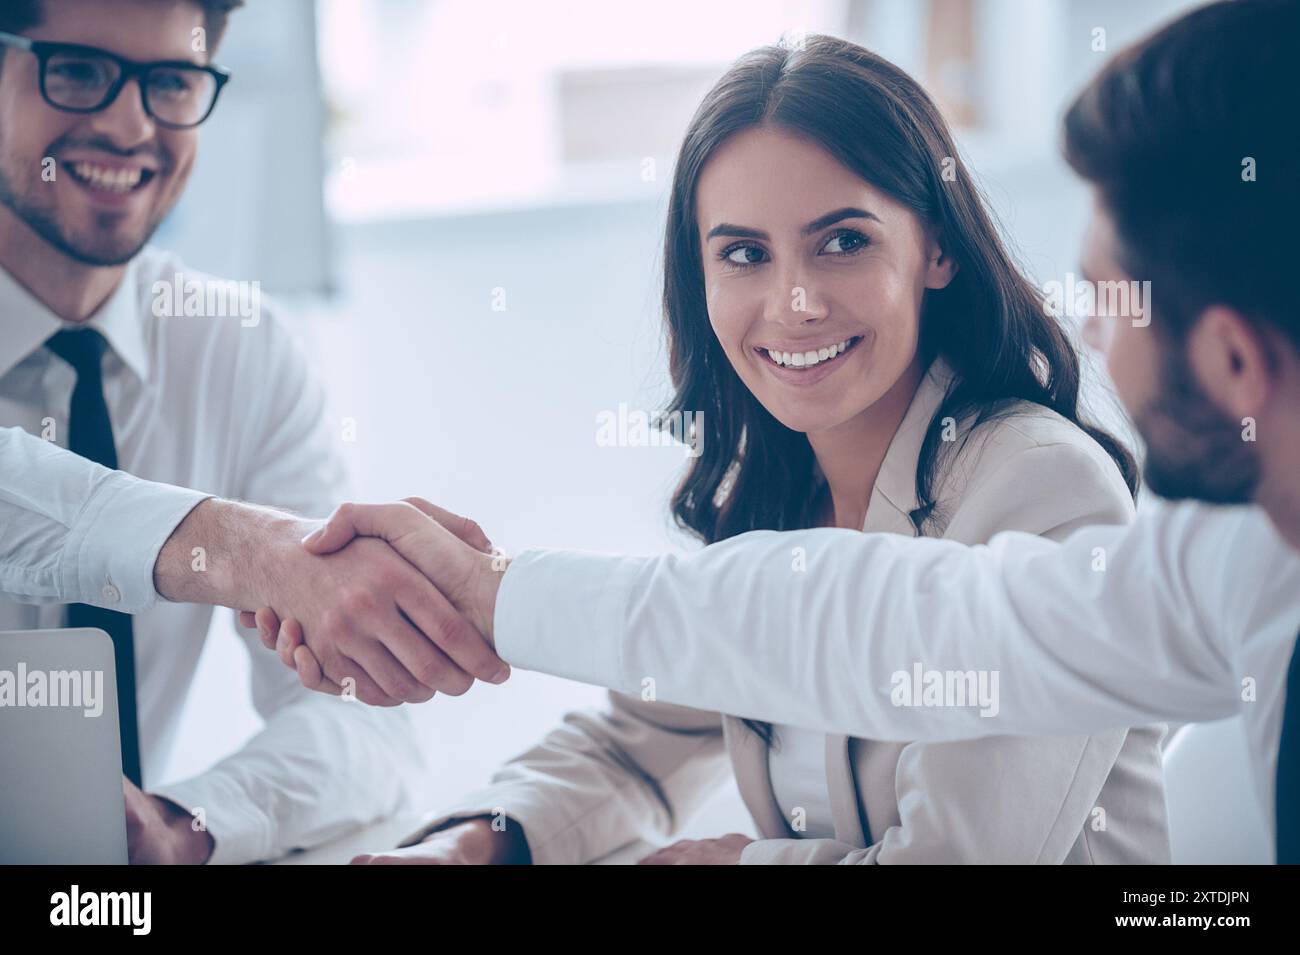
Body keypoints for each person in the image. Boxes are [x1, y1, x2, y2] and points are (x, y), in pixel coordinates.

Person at [267, 0, 1300, 863]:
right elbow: (691, 691)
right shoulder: (784, 485)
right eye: (744, 254)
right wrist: (485, 838)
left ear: (935, 249)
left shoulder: (1046, 484)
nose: (795, 301)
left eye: (842, 242)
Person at [0, 0, 430, 864]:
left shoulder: (237, 349)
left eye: (171, 81)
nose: (130, 127)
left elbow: (364, 726)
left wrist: (186, 823)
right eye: (78, 70)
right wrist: (233, 545)